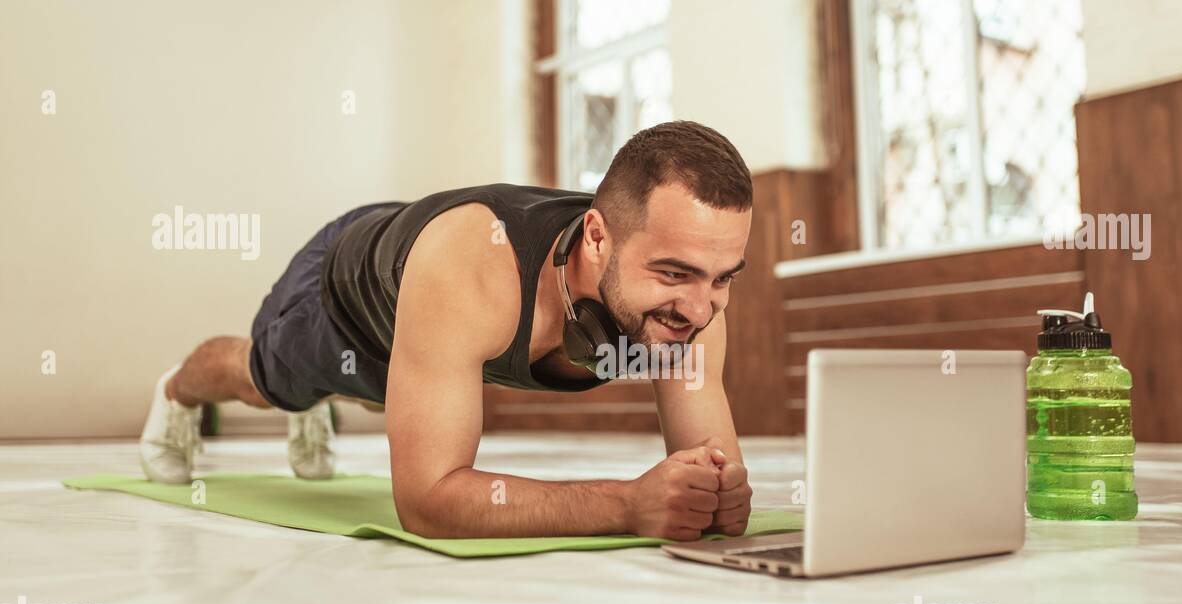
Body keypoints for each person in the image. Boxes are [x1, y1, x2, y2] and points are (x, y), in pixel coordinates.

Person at [140, 120, 754, 541]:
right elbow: (427, 501)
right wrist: (625, 505)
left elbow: (714, 483)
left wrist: (716, 493)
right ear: (597, 237)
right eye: (675, 273)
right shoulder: (473, 271)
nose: (700, 311)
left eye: (722, 277)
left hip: (427, 318)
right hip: (342, 299)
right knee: (264, 381)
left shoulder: (687, 309)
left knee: (384, 391)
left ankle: (330, 398)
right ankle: (178, 392)